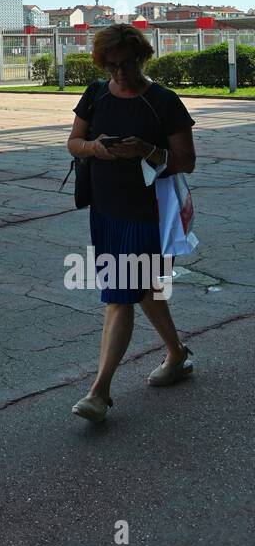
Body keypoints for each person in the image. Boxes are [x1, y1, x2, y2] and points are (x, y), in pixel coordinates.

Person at [66, 24, 196, 423]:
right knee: (142, 289)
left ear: (142, 58)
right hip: (105, 211)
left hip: (149, 215)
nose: (119, 73)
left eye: (126, 64)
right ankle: (177, 355)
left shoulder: (163, 101)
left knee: (120, 295)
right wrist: (95, 149)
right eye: (111, 65)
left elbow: (185, 160)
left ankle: (98, 393)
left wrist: (146, 150)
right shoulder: (96, 94)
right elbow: (73, 142)